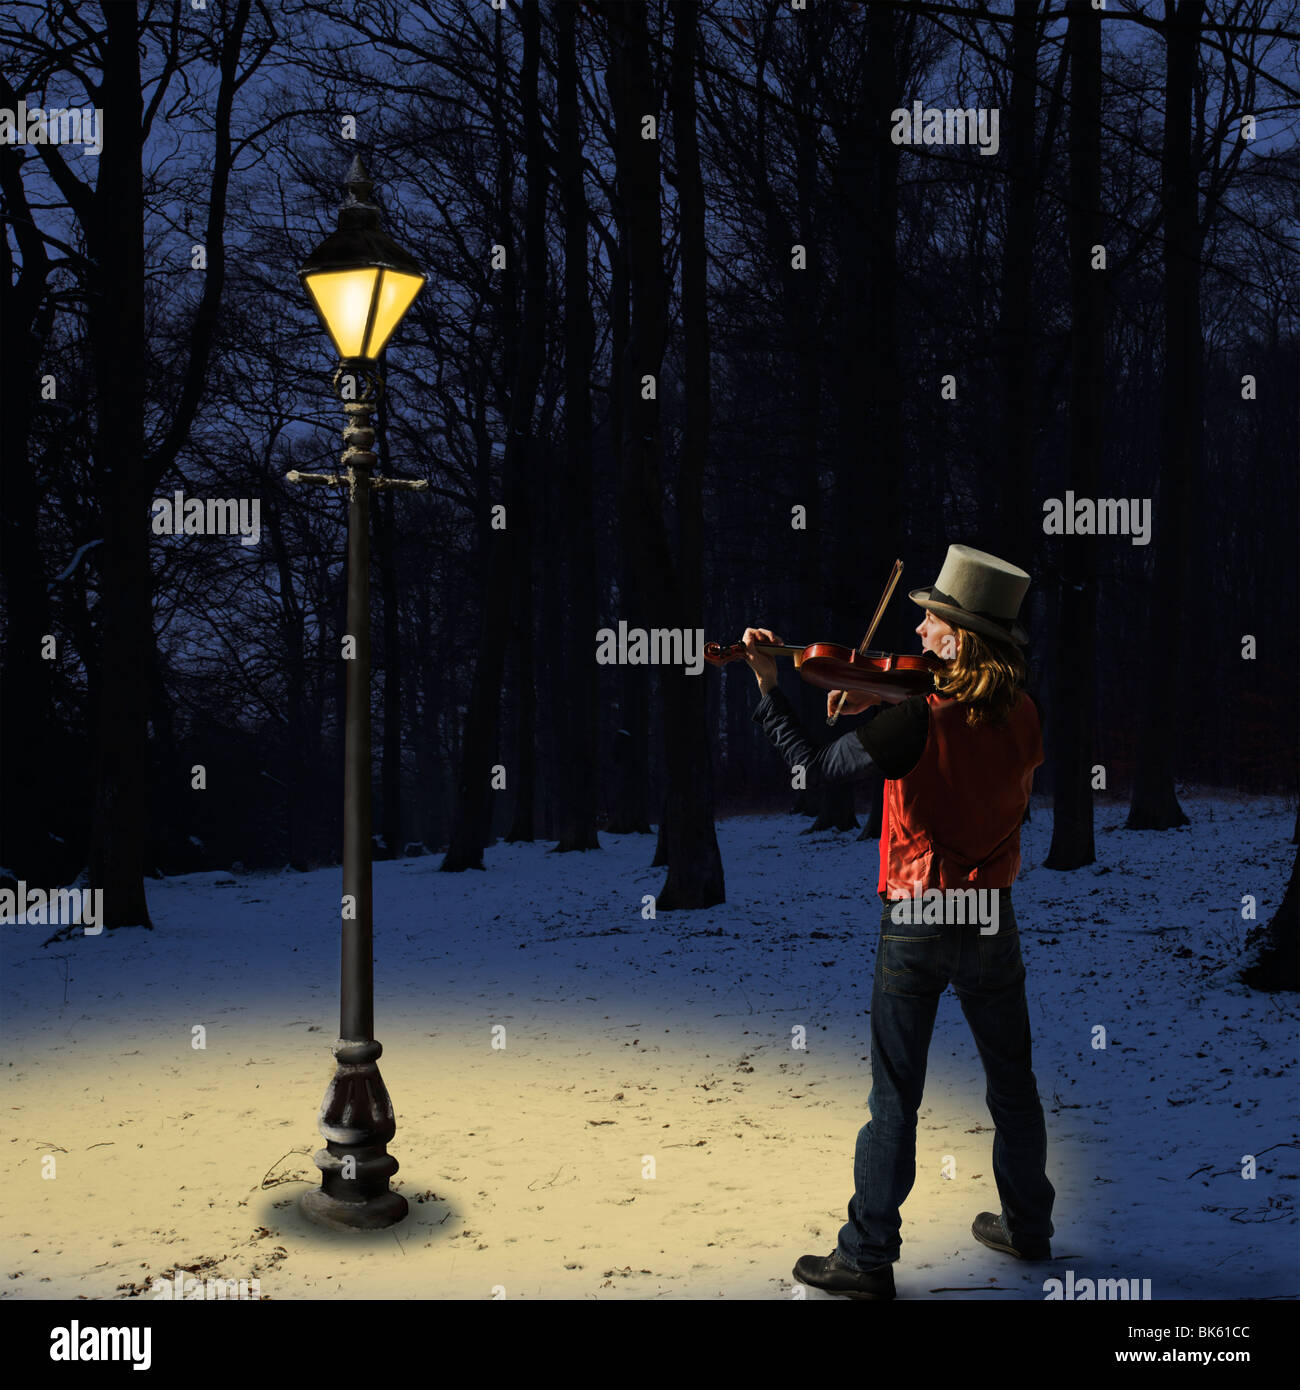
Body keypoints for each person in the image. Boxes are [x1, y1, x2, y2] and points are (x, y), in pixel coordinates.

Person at [741, 544, 1055, 1301]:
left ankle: (867, 1257)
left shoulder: (915, 718)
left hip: (919, 912)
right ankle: (1027, 1226)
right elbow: (958, 738)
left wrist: (766, 686)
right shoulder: (1024, 713)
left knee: (895, 1095)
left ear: (961, 639)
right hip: (991, 914)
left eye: (932, 621)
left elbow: (813, 769)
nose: (917, 631)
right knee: (1012, 1081)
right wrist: (879, 703)